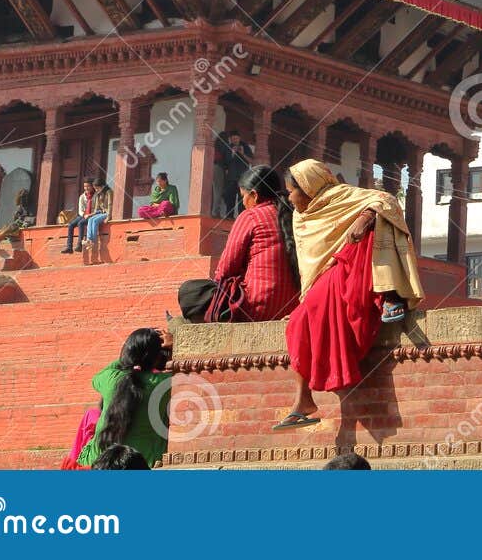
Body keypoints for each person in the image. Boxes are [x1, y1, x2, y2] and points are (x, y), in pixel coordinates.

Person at [271, 159, 423, 431]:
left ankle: (389, 296)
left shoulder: (341, 196)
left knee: (380, 215)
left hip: (353, 268)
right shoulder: (300, 215)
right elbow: (311, 261)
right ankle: (303, 401)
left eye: (292, 191)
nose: (289, 197)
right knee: (297, 324)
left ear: (308, 187)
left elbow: (386, 199)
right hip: (327, 276)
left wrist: (364, 219)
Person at [178, 165, 298, 323]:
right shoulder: (295, 216)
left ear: (254, 195)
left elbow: (226, 268)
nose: (243, 202)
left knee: (190, 291)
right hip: (294, 307)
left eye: (243, 196)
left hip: (256, 307)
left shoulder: (250, 216)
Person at [76, 328, 173, 469]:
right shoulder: (164, 384)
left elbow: (98, 376)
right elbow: (189, 373)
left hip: (94, 463)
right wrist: (175, 347)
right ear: (157, 356)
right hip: (141, 464)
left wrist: (131, 353)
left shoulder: (110, 379)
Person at [215, 130, 253, 218]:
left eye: (236, 138)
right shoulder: (227, 147)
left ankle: (241, 218)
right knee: (230, 199)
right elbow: (224, 163)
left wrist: (243, 154)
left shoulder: (245, 146)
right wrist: (232, 154)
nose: (235, 140)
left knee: (242, 200)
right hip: (231, 178)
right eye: (233, 139)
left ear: (239, 138)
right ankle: (229, 217)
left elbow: (251, 161)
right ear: (230, 139)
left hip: (242, 178)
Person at [62, 180, 96, 254]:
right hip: (84, 215)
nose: (86, 188)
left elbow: (97, 208)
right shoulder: (82, 197)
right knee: (70, 225)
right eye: (85, 186)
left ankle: (79, 244)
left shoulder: (96, 196)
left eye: (88, 186)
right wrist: (84, 215)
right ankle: (69, 247)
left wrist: (89, 215)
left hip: (93, 215)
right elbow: (80, 210)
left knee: (80, 223)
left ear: (92, 186)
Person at [83, 182, 113, 253]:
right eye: (95, 188)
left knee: (95, 221)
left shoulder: (109, 192)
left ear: (102, 186)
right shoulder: (98, 195)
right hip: (101, 212)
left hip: (108, 212)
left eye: (97, 188)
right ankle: (89, 240)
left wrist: (108, 217)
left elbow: (110, 205)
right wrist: (90, 215)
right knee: (90, 219)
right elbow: (96, 209)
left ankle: (93, 241)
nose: (96, 190)